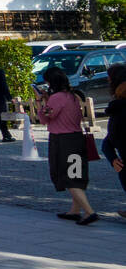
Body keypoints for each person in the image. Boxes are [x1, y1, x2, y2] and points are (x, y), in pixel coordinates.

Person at [34, 67, 98, 224]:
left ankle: (89, 212)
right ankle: (75, 210)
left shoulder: (57, 98)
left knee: (68, 176)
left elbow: (45, 118)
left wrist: (40, 101)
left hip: (62, 141)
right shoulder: (73, 96)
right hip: (76, 138)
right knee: (76, 174)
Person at [102, 64, 126, 217]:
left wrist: (111, 156)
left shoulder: (119, 108)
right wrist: (111, 157)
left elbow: (112, 137)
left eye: (109, 79)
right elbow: (111, 138)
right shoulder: (117, 108)